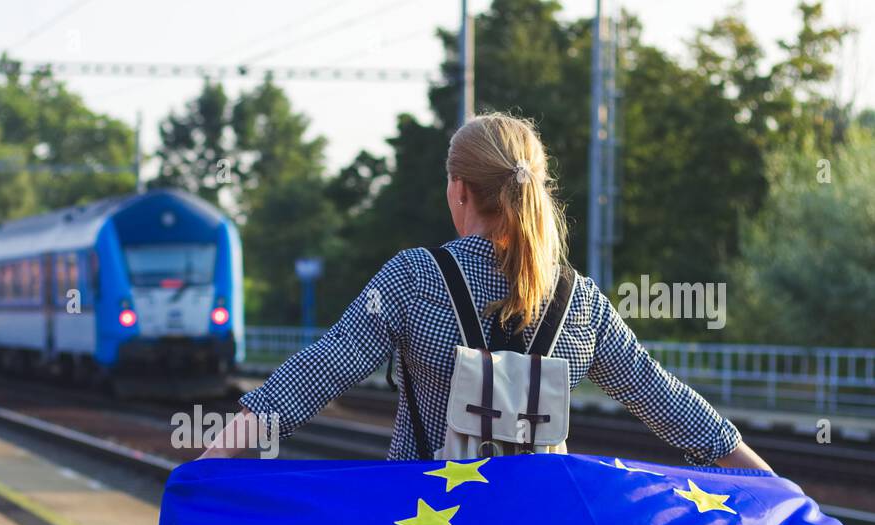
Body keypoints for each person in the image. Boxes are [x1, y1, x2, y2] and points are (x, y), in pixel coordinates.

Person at [199, 111, 771, 473]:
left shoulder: (415, 279)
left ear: (459, 190)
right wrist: (767, 482)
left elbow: (317, 374)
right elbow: (663, 400)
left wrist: (214, 457)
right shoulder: (580, 301)